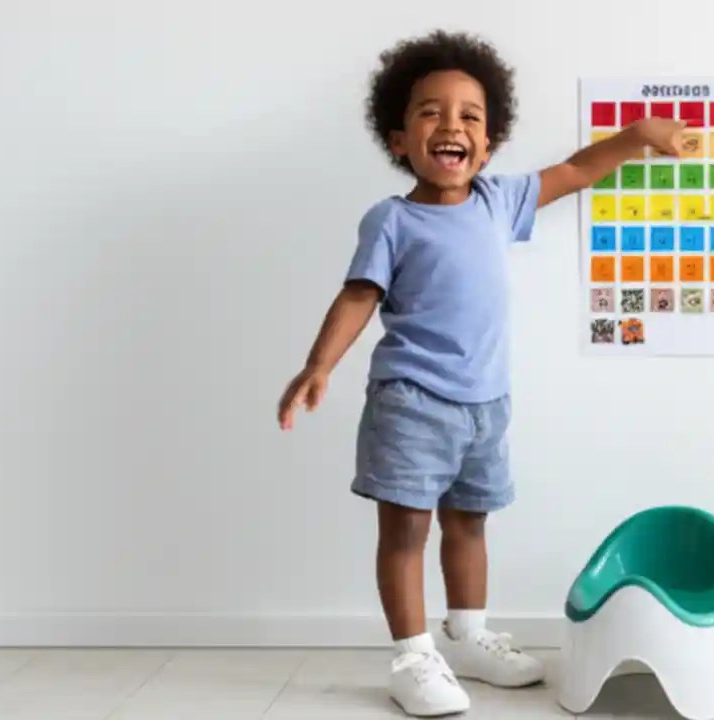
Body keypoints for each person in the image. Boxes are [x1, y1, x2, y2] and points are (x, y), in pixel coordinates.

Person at [275, 29, 683, 717]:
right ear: (399, 139)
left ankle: (466, 636)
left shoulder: (499, 201)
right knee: (406, 531)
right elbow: (359, 295)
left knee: (470, 524)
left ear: (487, 145)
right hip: (412, 400)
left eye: (469, 115)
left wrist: (637, 135)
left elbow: (576, 171)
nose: (451, 125)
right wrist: (319, 366)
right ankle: (412, 656)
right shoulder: (392, 220)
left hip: (487, 404)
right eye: (430, 112)